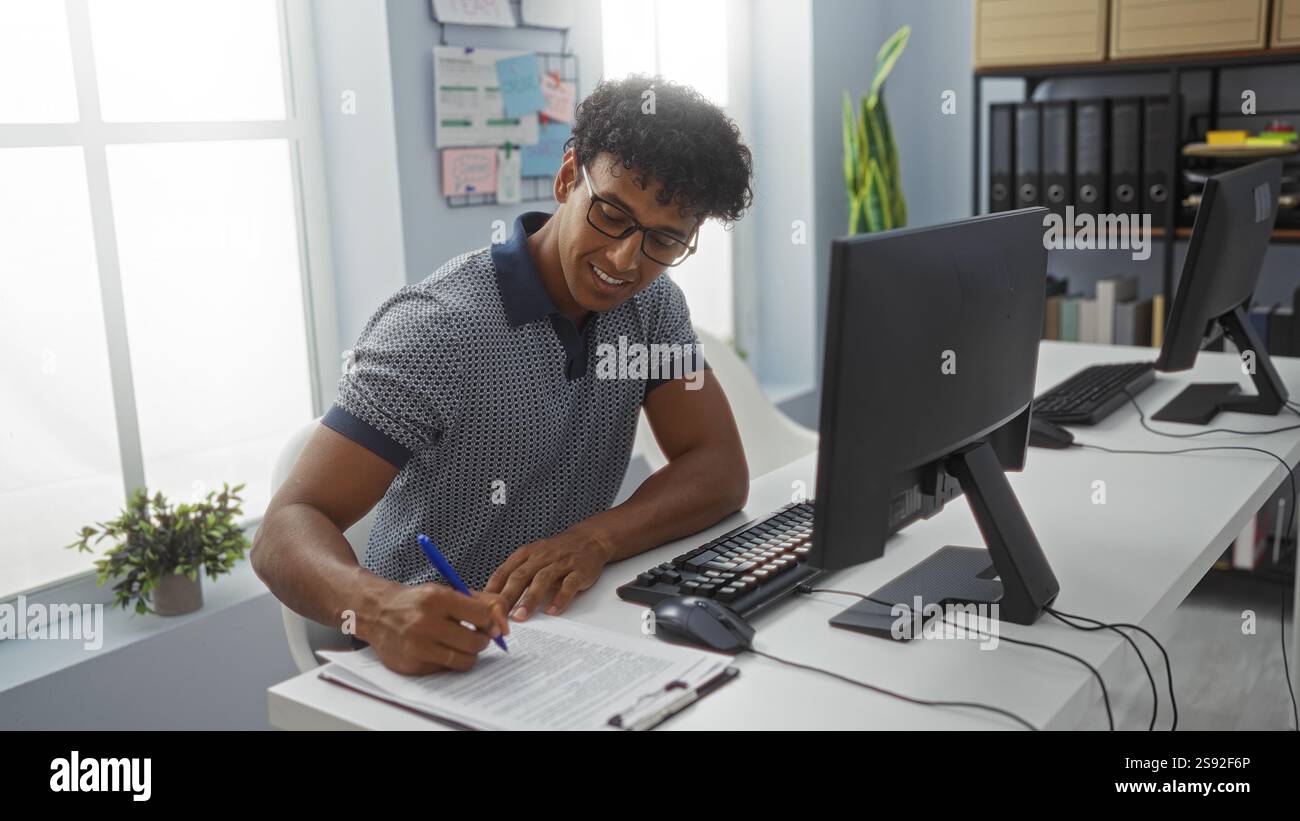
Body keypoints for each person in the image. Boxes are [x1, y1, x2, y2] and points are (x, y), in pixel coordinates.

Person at [252, 75, 755, 675]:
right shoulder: (437, 330)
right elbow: (285, 527)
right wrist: (380, 610)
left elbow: (718, 468)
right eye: (612, 215)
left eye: (664, 240)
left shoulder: (654, 307)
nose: (626, 260)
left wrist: (595, 540)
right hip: (432, 653)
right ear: (569, 176)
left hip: (568, 633)